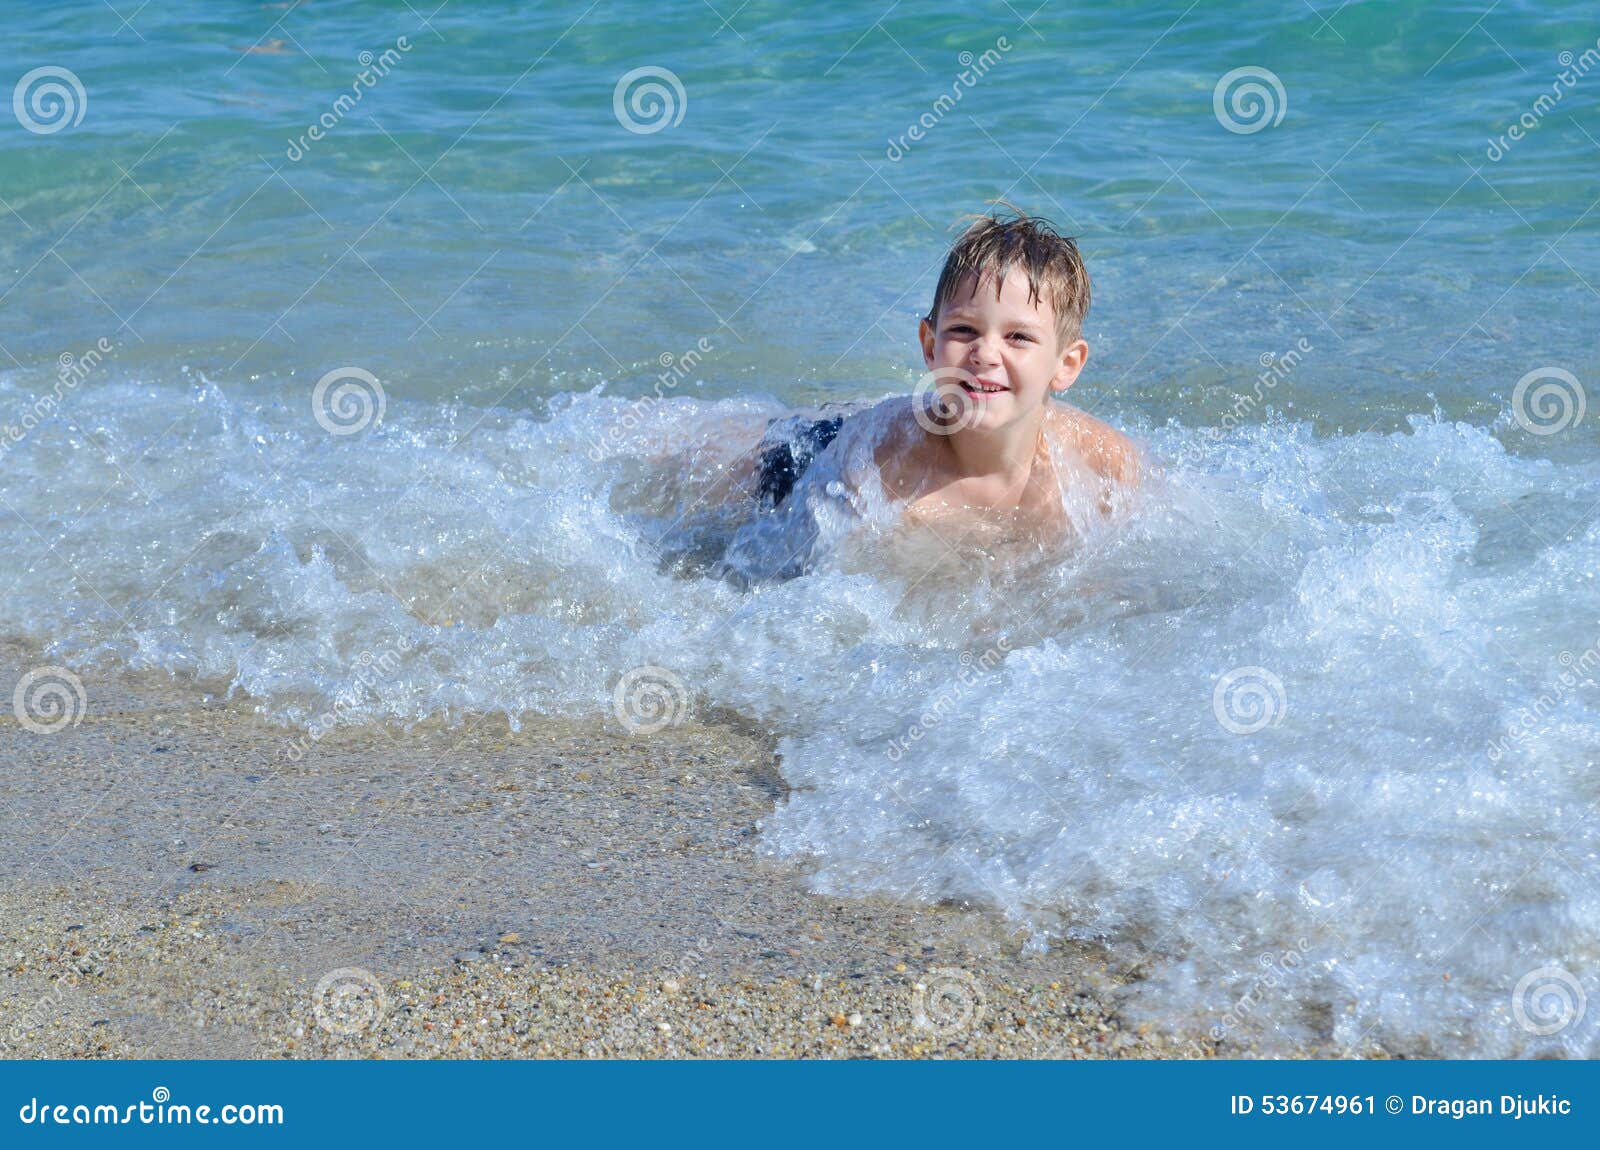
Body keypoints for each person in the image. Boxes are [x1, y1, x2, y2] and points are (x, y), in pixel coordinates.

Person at [756, 207, 1138, 538]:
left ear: (1065, 364)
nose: (985, 353)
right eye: (964, 330)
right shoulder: (885, 466)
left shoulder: (1104, 469)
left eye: (1018, 337)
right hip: (817, 452)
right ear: (929, 345)